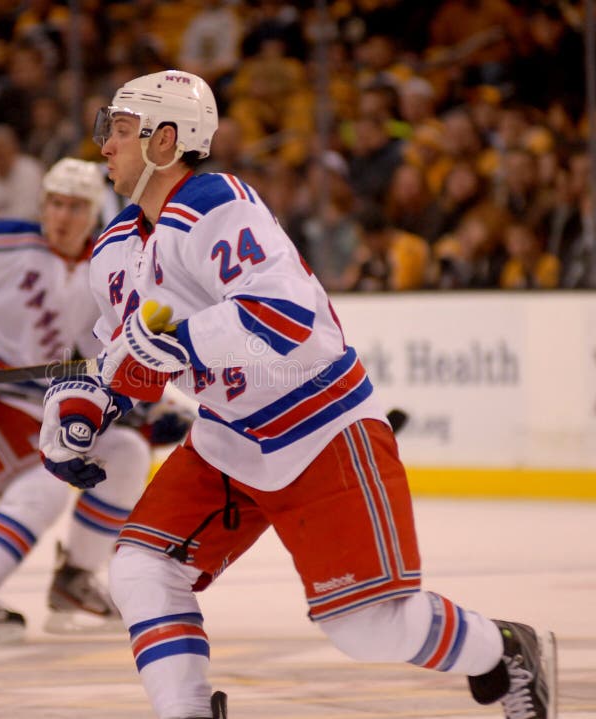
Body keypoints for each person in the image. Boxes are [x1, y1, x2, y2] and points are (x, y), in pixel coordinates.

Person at [38, 71, 557, 718]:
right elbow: (121, 356)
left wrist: (174, 345)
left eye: (120, 131)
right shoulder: (114, 248)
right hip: (229, 437)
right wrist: (81, 403)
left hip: (320, 425)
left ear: (165, 141)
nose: (105, 147)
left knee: (367, 628)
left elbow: (283, 313)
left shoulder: (217, 203)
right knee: (141, 566)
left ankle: (500, 647)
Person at [0, 157, 189, 643]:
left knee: (128, 454)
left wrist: (153, 406)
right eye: (54, 204)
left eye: (75, 206)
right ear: (42, 205)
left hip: (34, 396)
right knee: (43, 483)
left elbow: (114, 349)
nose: (63, 216)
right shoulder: (1, 240)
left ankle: (75, 580)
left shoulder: (110, 263)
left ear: (94, 213)